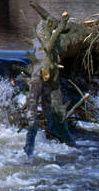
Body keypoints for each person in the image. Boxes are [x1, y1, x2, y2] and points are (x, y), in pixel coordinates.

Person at [25, 9, 76, 157]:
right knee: (46, 107)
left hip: (40, 75)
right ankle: (61, 137)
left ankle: (30, 145)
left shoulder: (41, 38)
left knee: (34, 108)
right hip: (46, 74)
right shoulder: (51, 37)